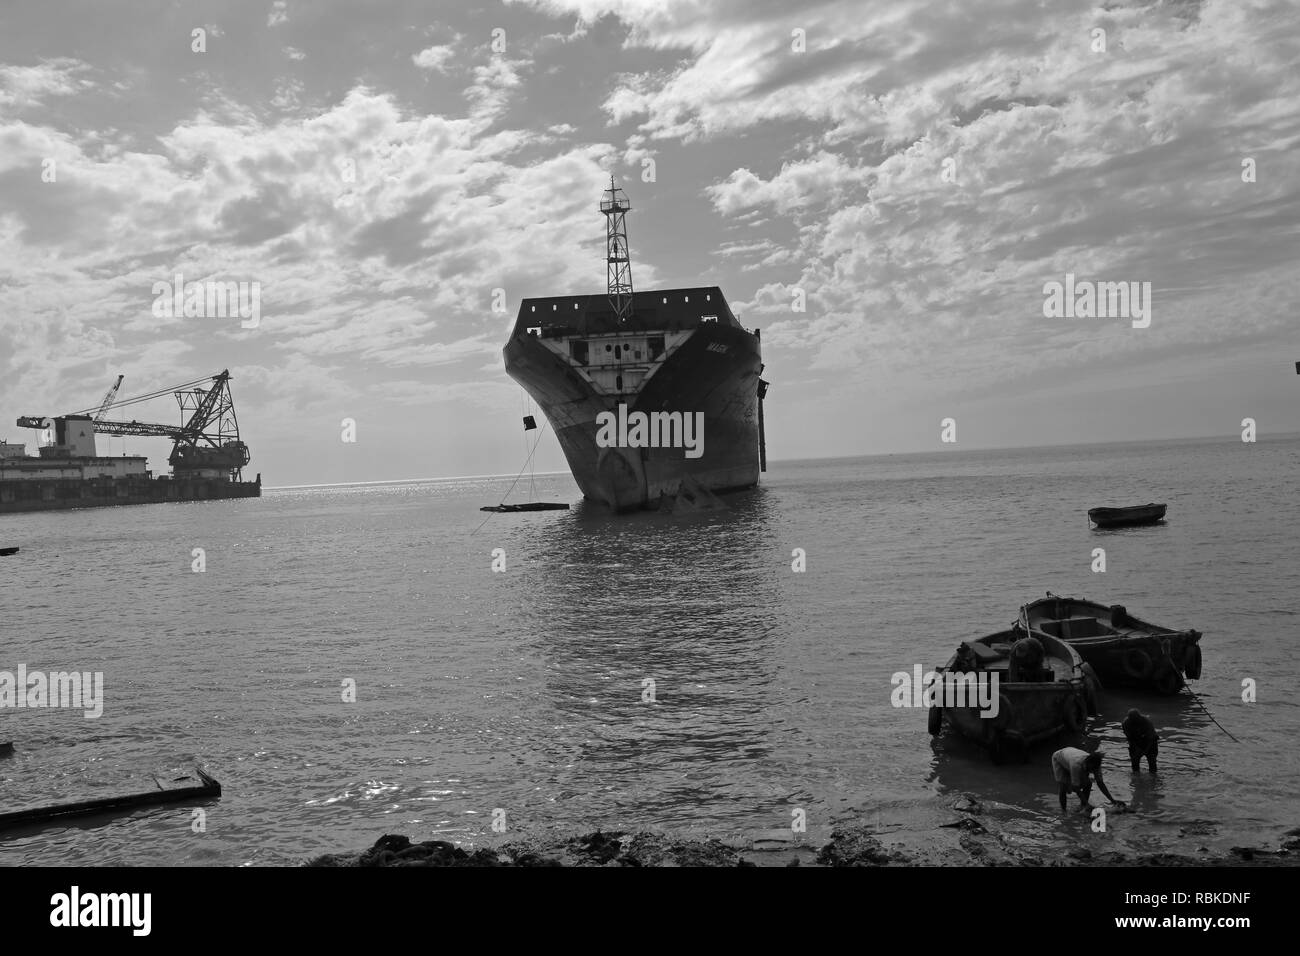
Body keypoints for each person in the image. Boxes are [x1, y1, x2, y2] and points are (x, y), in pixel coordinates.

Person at [1051, 746, 1124, 812]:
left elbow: (1100, 783)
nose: (1092, 772)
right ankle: (1064, 811)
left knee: (1088, 784)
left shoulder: (1096, 766)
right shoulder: (1076, 765)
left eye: (1094, 770)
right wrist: (1087, 804)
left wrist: (1113, 801)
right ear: (1086, 764)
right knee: (1063, 785)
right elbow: (1075, 787)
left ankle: (1083, 806)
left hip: (1070, 755)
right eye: (1091, 770)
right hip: (1059, 758)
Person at [1121, 709, 1159, 773]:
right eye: (1132, 720)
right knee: (1134, 760)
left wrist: (1145, 751)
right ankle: (1136, 778)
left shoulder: (1147, 722)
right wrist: (1136, 748)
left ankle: (1153, 778)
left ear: (1139, 717)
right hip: (1135, 741)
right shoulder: (1126, 723)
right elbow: (1129, 738)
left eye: (1135, 720)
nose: (1134, 722)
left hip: (1150, 742)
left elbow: (1151, 739)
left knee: (1152, 761)